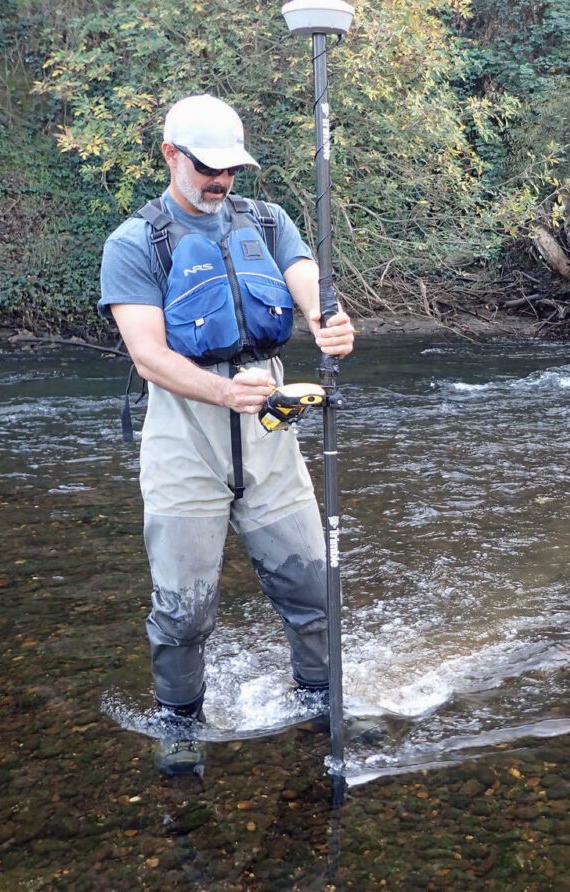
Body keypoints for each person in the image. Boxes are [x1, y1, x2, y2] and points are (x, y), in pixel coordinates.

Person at [99, 93, 355, 776]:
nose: (221, 181)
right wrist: (220, 390)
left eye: (231, 169)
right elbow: (148, 354)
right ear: (170, 156)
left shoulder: (267, 221)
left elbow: (310, 286)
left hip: (271, 431)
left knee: (312, 591)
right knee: (183, 613)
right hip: (186, 436)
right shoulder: (134, 243)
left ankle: (321, 707)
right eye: (208, 167)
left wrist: (331, 320)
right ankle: (180, 728)